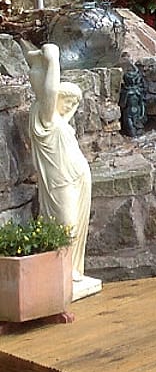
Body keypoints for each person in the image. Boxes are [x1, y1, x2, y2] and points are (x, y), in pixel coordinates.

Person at [24, 43, 94, 285]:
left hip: (77, 177)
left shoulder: (60, 120)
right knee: (65, 225)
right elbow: (49, 92)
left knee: (74, 228)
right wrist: (53, 60)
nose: (70, 106)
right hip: (60, 182)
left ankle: (71, 270)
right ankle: (60, 274)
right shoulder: (44, 116)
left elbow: (67, 104)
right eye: (67, 100)